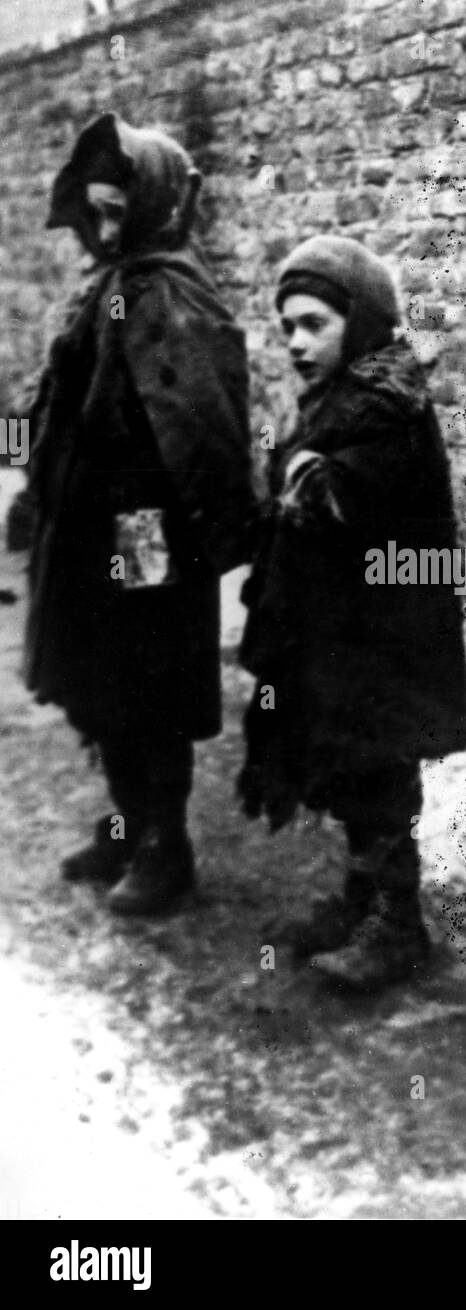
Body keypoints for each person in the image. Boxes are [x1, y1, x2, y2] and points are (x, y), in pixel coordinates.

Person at [22, 111, 254, 914]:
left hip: (145, 534)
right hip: (87, 529)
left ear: (153, 202)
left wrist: (187, 532)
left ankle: (166, 844)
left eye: (118, 211)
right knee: (95, 678)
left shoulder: (176, 293)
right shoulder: (107, 289)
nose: (105, 227)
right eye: (96, 214)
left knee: (145, 680)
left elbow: (203, 422)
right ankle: (126, 825)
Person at [238, 234, 466, 989]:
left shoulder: (387, 407)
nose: (299, 344)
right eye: (288, 329)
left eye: (316, 324)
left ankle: (398, 926)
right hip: (342, 634)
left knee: (379, 772)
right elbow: (294, 478)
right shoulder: (340, 398)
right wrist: (297, 469)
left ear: (361, 320)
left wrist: (300, 472)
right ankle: (359, 901)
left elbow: (336, 502)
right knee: (346, 764)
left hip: (385, 639)